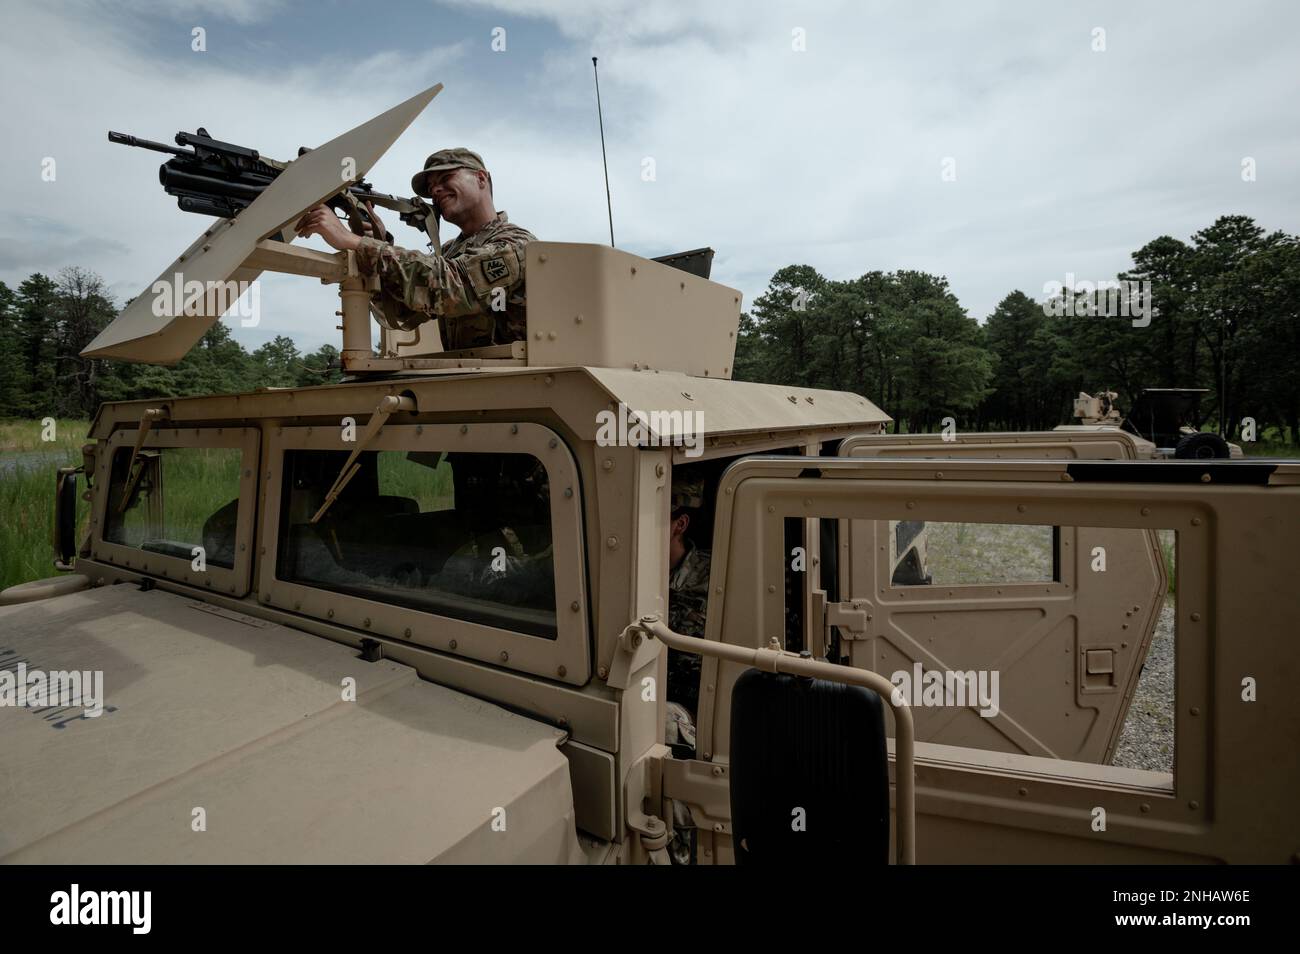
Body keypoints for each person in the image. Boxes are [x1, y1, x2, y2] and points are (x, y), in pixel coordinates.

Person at [294, 148, 535, 352]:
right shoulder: (452, 251)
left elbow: (453, 289)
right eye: (431, 188)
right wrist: (376, 243)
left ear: (481, 179)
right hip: (469, 379)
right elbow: (406, 308)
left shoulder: (517, 243)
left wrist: (354, 242)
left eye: (445, 179)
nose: (435, 191)